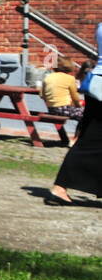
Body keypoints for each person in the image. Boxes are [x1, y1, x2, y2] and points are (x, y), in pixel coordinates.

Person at [47, 34, 101, 204]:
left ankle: (60, 187)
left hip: (97, 87)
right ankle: (60, 188)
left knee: (91, 140)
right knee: (90, 141)